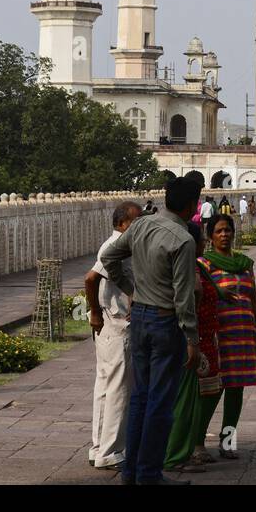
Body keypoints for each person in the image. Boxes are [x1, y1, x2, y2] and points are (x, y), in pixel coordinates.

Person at [98, 175, 202, 485]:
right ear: (191, 205)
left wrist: (132, 288)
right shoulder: (183, 240)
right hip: (164, 321)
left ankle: (131, 472)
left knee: (140, 399)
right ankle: (149, 474)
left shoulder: (141, 225)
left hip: (140, 319)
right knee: (160, 402)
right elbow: (184, 295)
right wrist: (192, 339)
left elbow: (108, 257)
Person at [199, 214, 256, 460]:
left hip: (243, 332)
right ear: (210, 237)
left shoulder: (244, 263)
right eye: (219, 231)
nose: (224, 235)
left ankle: (228, 441)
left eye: (228, 230)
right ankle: (198, 442)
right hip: (219, 334)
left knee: (236, 389)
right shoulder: (204, 264)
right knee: (212, 389)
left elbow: (254, 297)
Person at [85, 201, 143, 469]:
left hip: (112, 325)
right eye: (135, 221)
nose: (139, 225)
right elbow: (90, 279)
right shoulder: (115, 247)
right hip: (114, 324)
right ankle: (110, 451)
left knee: (106, 388)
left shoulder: (124, 246)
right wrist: (94, 312)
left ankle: (99, 448)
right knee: (118, 389)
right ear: (121, 224)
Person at [164, 217, 224, 474]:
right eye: (201, 239)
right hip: (193, 338)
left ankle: (191, 445)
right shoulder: (189, 266)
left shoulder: (197, 266)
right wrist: (192, 338)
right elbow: (191, 297)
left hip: (203, 336)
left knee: (201, 395)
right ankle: (180, 451)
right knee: (190, 399)